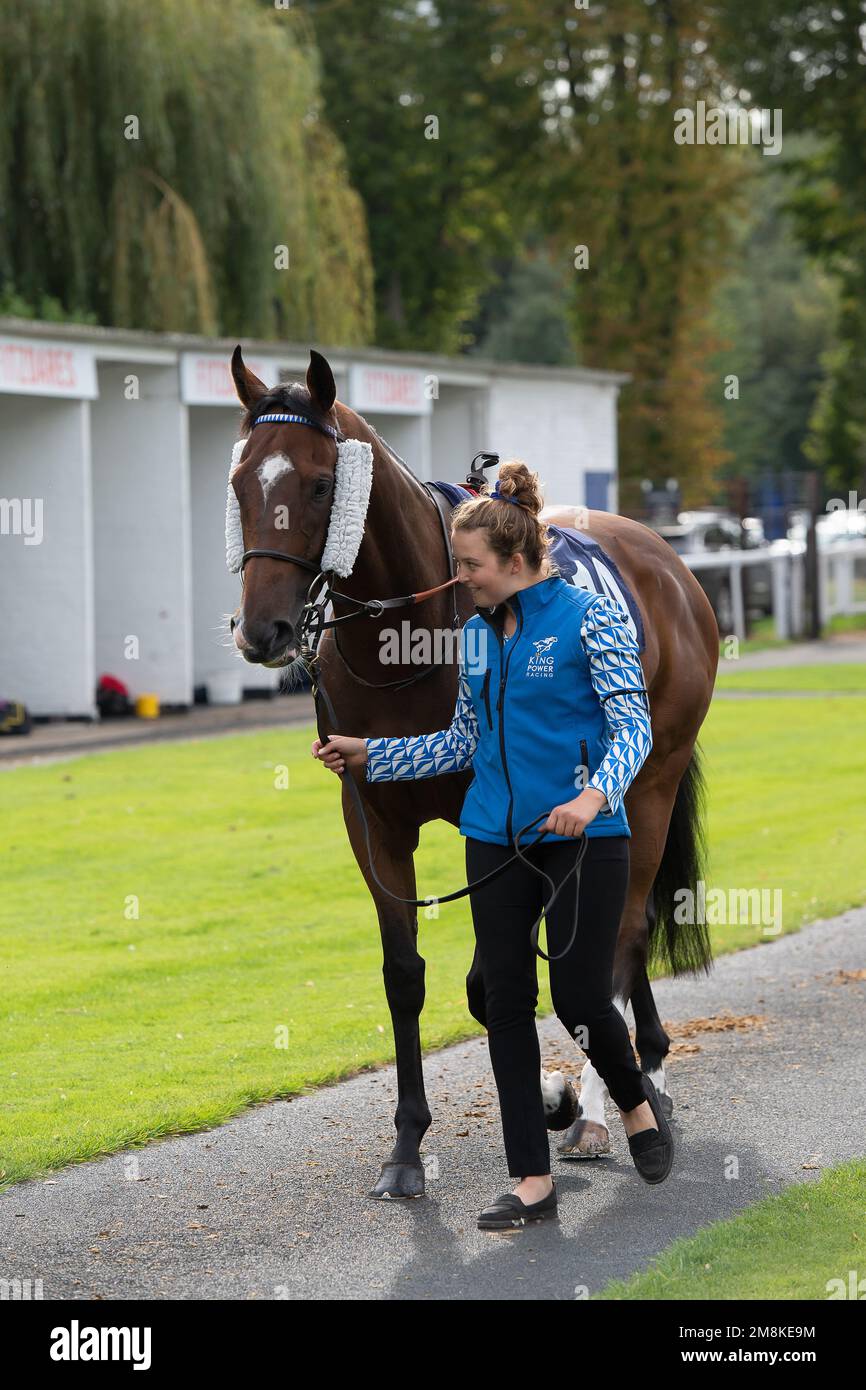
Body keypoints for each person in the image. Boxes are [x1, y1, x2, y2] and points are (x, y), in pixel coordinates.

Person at [312, 459, 673, 1230]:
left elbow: (632, 726)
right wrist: (370, 754)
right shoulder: (473, 640)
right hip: (493, 838)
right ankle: (531, 1183)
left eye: (469, 566)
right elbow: (460, 743)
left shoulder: (589, 617)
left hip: (584, 837)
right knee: (503, 1002)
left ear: (513, 563)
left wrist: (591, 796)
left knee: (578, 998)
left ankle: (636, 1101)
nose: (460, 578)